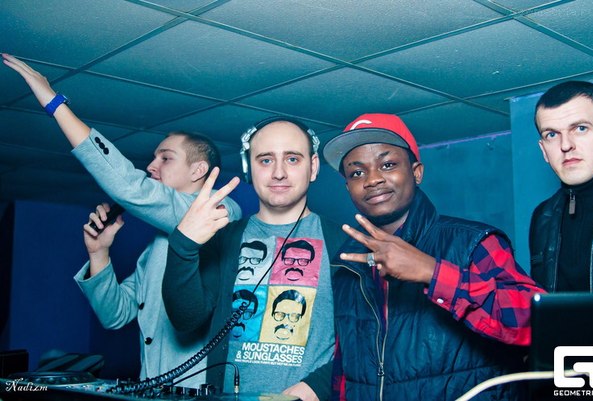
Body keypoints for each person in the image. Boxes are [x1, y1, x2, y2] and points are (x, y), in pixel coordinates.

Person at [2, 53, 242, 386]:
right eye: (154, 157)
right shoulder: (157, 248)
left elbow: (131, 187)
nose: (151, 166)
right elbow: (115, 315)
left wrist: (55, 103)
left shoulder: (222, 211)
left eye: (165, 158)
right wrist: (99, 253)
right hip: (151, 387)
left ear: (198, 170)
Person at [322, 113, 545, 401]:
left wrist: (432, 272)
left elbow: (536, 323)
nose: (372, 179)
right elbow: (346, 373)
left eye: (388, 165)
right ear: (348, 188)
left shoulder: (472, 243)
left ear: (417, 173)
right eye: (356, 173)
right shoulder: (347, 265)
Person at [162, 116, 346, 401]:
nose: (279, 173)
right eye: (266, 160)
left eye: (292, 159)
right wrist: (182, 244)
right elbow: (185, 319)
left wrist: (317, 386)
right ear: (248, 168)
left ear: (313, 167)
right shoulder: (224, 240)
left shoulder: (343, 243)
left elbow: (367, 339)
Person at [530, 81, 593, 292]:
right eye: (552, 135)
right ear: (544, 151)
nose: (565, 145)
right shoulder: (543, 217)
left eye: (580, 128)